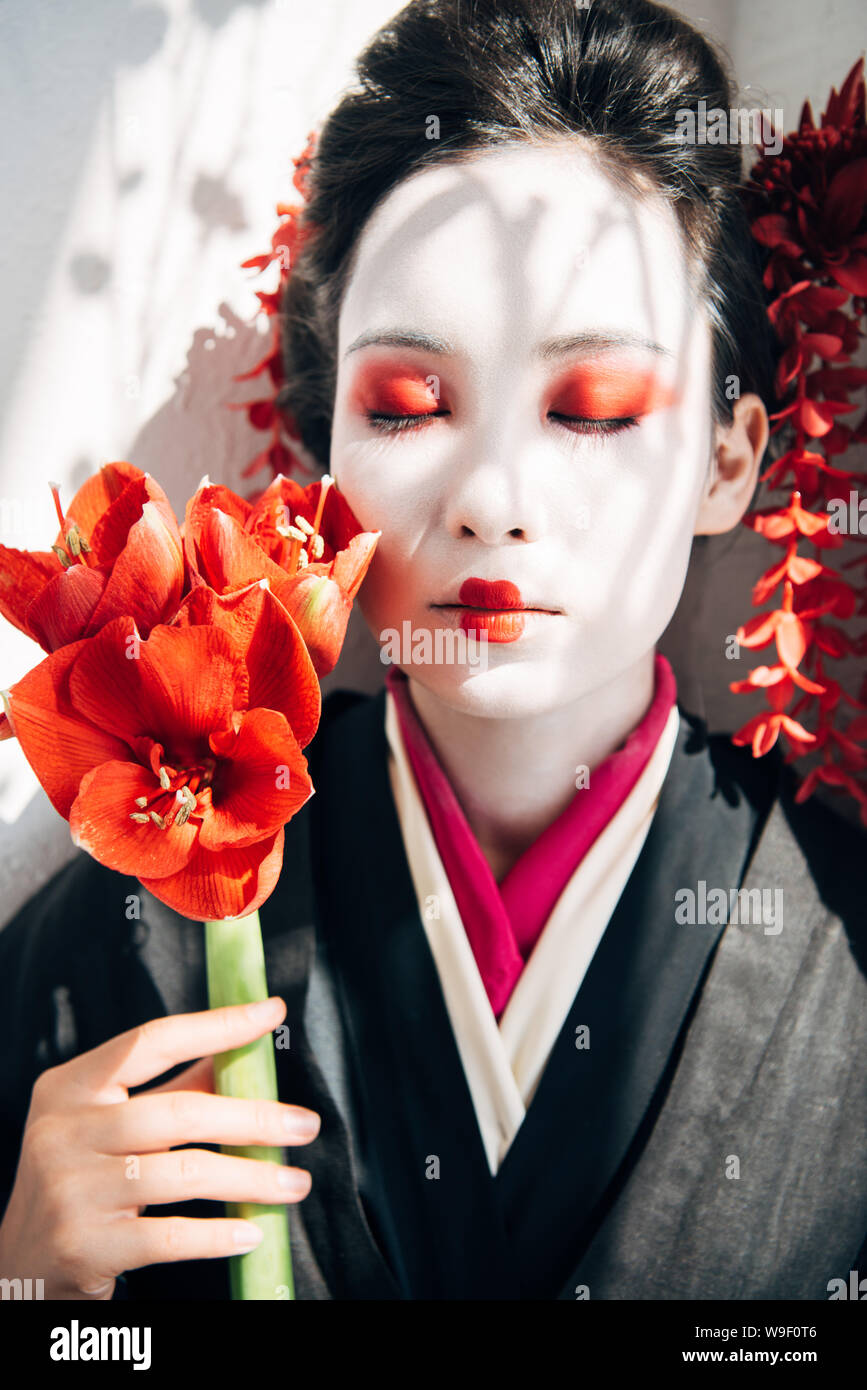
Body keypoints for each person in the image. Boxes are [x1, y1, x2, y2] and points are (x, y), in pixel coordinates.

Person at [0, 0, 865, 1302]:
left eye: (593, 406)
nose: (493, 493)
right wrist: (21, 1282)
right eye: (410, 404)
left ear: (729, 460)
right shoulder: (138, 920)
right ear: (318, 452)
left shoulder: (842, 932)